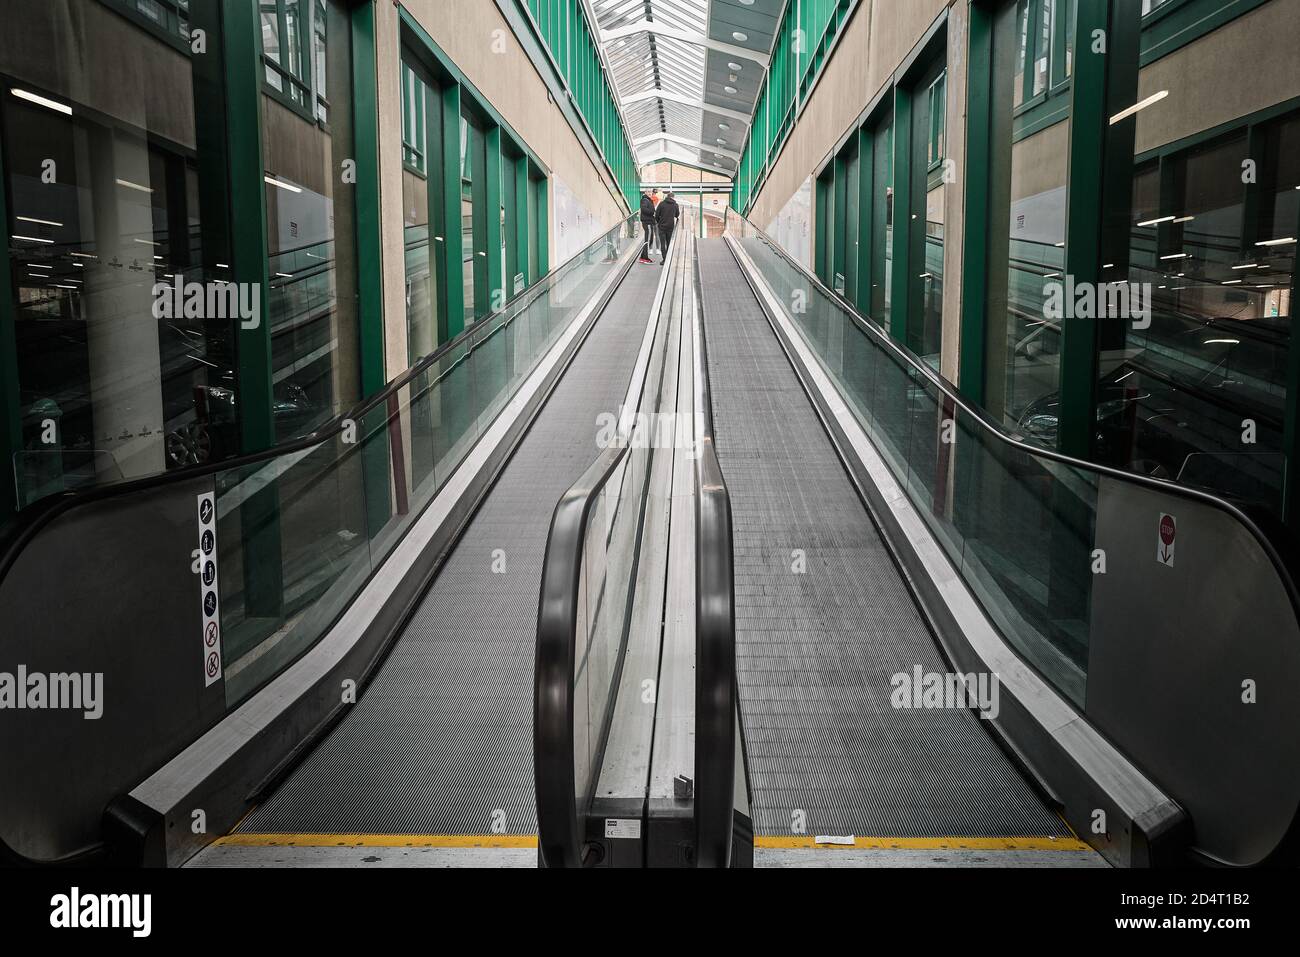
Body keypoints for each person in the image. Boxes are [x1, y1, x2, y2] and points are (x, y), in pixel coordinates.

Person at [655, 190, 680, 265]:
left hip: (662, 227)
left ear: (667, 197)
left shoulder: (661, 204)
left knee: (663, 243)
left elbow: (656, 215)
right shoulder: (675, 205)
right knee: (669, 243)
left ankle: (664, 259)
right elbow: (677, 215)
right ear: (673, 197)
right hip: (670, 226)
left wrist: (659, 222)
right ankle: (669, 259)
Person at [638, 189, 656, 264]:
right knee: (648, 240)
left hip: (648, 221)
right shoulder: (645, 200)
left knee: (648, 239)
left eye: (650, 192)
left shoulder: (648, 200)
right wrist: (653, 212)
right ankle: (645, 257)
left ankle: (643, 257)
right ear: (645, 193)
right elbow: (644, 209)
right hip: (647, 222)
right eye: (648, 192)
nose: (649, 193)